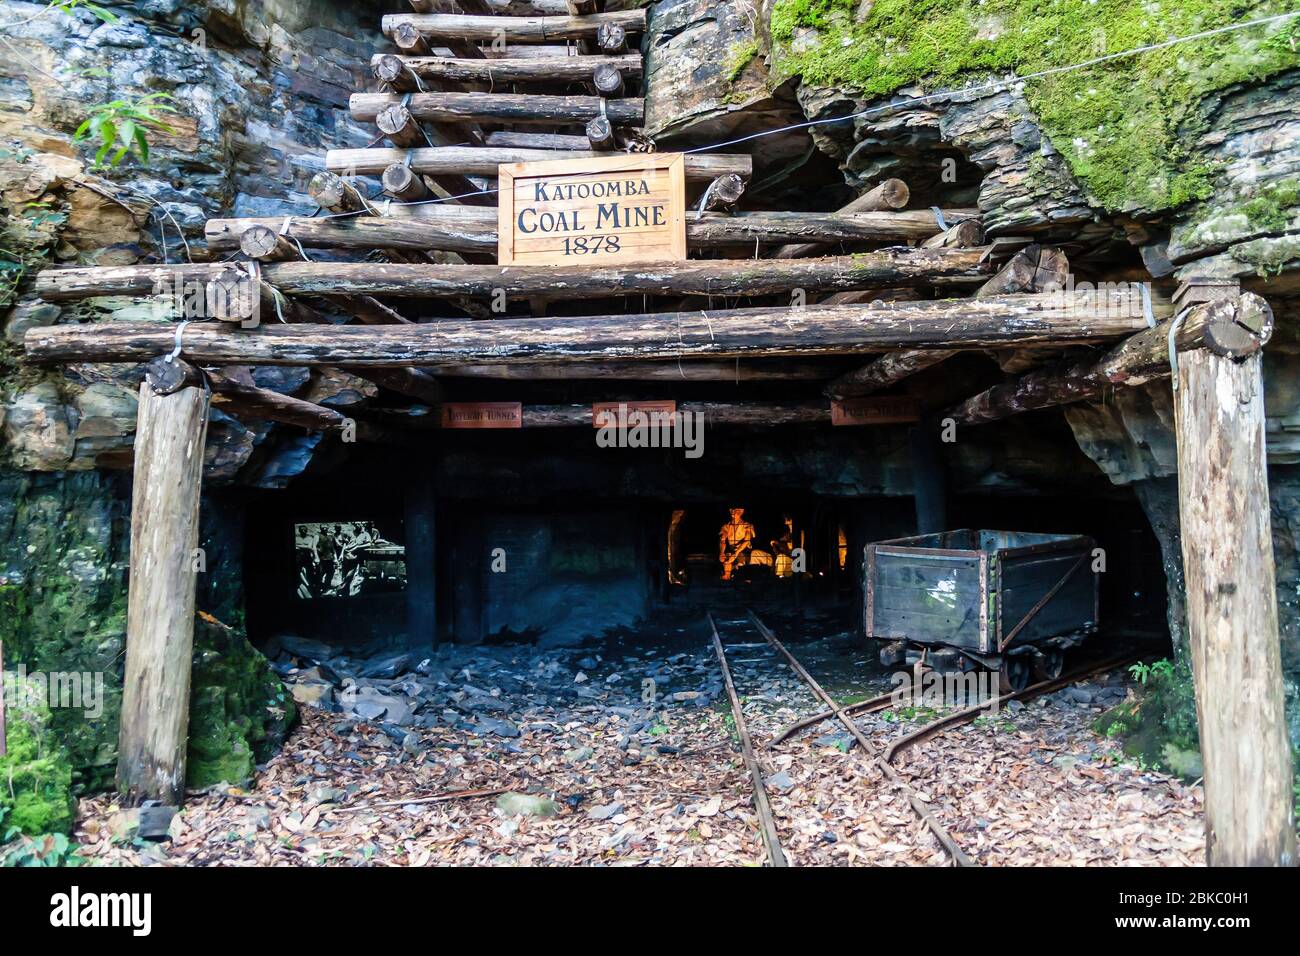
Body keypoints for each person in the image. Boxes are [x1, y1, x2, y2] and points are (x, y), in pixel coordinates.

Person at [718, 507, 756, 581]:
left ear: (741, 512)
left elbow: (747, 541)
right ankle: (727, 575)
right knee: (723, 560)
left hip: (743, 549)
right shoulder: (727, 526)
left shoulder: (747, 525)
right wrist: (721, 552)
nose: (733, 512)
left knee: (741, 561)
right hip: (732, 549)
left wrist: (735, 554)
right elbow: (722, 540)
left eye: (736, 510)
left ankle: (744, 577)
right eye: (732, 510)